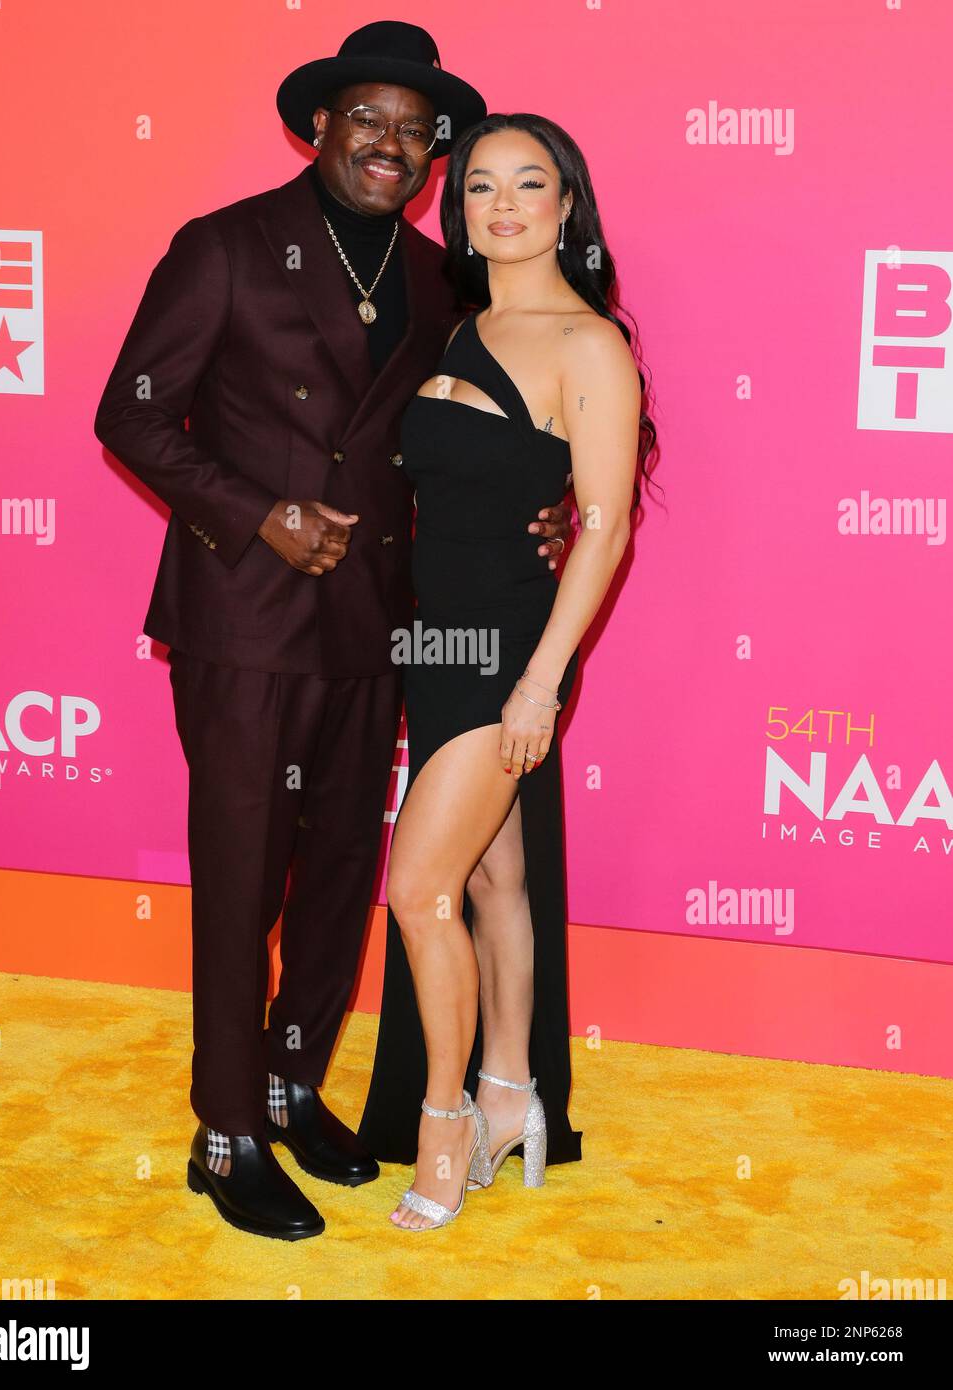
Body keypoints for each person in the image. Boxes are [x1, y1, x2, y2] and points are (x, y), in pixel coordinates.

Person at [92, 21, 573, 1240]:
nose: (390, 145)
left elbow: (517, 399)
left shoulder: (438, 278)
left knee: (341, 877)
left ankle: (290, 1083)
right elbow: (130, 414)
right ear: (320, 125)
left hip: (378, 623)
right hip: (246, 619)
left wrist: (555, 500)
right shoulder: (225, 246)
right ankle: (225, 1128)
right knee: (242, 878)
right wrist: (262, 514)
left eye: (415, 131)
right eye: (368, 118)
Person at [356, 112, 659, 1230]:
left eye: (530, 184)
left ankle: (444, 1126)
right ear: (459, 209)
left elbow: (605, 528)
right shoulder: (456, 329)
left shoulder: (589, 345)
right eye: (480, 185)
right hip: (433, 642)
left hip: (506, 654)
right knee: (492, 884)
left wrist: (541, 682)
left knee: (419, 891)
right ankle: (509, 1094)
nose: (503, 205)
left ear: (567, 205)